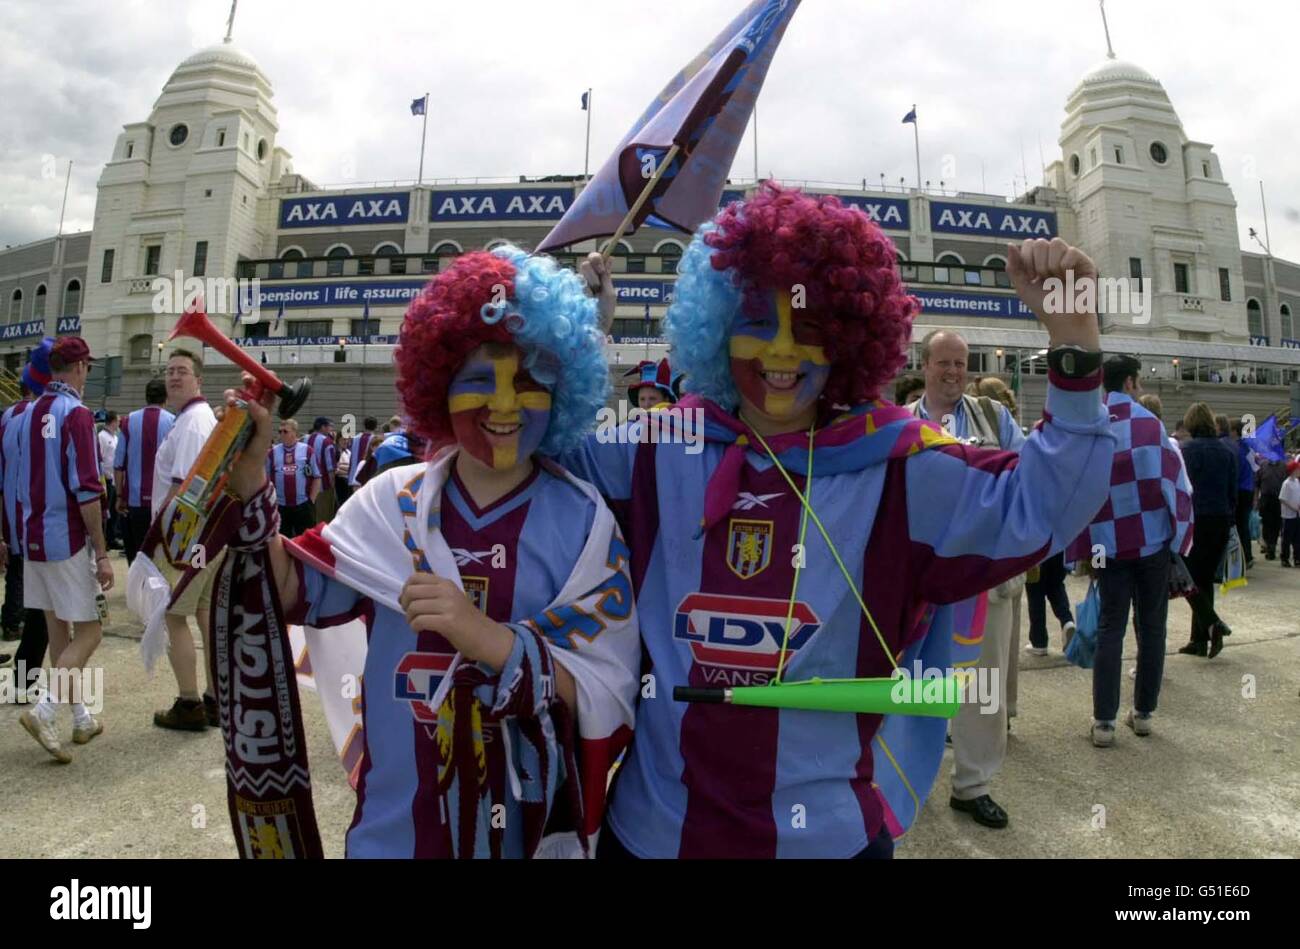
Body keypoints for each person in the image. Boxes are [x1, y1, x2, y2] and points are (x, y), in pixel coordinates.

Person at [566, 184, 1115, 857]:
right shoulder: (655, 450)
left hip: (826, 840)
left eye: (812, 329)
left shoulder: (900, 466)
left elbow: (1050, 501)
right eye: (758, 323)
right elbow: (540, 454)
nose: (782, 353)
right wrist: (583, 328)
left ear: (852, 338)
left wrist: (1073, 339)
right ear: (715, 330)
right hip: (657, 834)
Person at [214, 245, 639, 858]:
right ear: (438, 387)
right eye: (478, 380)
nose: (503, 404)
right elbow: (282, 591)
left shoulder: (587, 524)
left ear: (562, 391)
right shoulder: (387, 502)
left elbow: (609, 691)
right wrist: (251, 479)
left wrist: (489, 640)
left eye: (528, 382)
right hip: (391, 834)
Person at [910, 335, 1026, 826]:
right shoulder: (901, 420)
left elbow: (1027, 474)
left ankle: (972, 785)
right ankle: (907, 779)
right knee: (915, 685)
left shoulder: (994, 417)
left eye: (961, 363)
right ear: (925, 366)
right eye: (944, 363)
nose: (953, 371)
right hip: (920, 581)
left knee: (983, 685)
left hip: (983, 576)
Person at [1067, 356, 1191, 746]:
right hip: (1151, 543)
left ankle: (1103, 722)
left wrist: (1079, 547)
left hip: (1107, 546)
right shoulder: (1150, 425)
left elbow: (1078, 488)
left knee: (1110, 630)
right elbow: (1176, 484)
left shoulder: (1092, 426)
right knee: (1152, 628)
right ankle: (1143, 714)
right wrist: (1179, 538)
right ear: (1133, 382)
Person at [12, 337, 111, 762]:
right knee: (90, 631)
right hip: (66, 537)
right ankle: (46, 709)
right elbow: (87, 490)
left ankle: (81, 716)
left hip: (31, 534)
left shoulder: (23, 413)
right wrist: (104, 552)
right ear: (81, 367)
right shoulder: (78, 415)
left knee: (59, 632)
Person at [150, 349, 222, 730]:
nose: (174, 377)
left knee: (174, 614)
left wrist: (161, 542)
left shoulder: (193, 421)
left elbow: (186, 490)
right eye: (170, 371)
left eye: (182, 371)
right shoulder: (193, 419)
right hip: (201, 537)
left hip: (187, 538)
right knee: (204, 613)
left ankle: (190, 702)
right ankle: (213, 698)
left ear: (199, 381)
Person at [0, 339, 56, 686]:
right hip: (44, 525)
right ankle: (26, 679)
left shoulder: (9, 415)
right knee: (48, 605)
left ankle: (23, 671)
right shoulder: (52, 414)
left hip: (14, 520)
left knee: (29, 592)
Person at [1176, 402, 1238, 657]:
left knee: (1185, 578)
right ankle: (1199, 639)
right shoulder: (1227, 451)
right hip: (1221, 518)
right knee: (1203, 580)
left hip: (1196, 520)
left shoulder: (1186, 450)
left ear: (1190, 423)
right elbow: (1232, 491)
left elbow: (1181, 488)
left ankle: (1213, 624)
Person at [113, 378, 175, 565]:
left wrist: (118, 496)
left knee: (136, 554)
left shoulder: (128, 421)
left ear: (146, 397)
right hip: (163, 502)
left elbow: (118, 465)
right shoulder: (173, 422)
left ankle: (137, 591)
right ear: (166, 397)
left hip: (134, 501)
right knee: (159, 557)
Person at [267, 418, 320, 538]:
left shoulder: (307, 450)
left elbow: (317, 477)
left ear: (295, 432)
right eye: (280, 431)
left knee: (306, 541)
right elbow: (266, 478)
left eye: (285, 431)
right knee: (282, 541)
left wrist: (311, 500)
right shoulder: (272, 453)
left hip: (303, 505)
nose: (281, 434)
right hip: (280, 506)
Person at [1230, 419, 1256, 569]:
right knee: (1244, 525)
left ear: (1234, 431)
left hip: (1239, 489)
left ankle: (1242, 558)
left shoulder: (1237, 449)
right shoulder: (1248, 448)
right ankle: (1248, 556)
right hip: (1248, 488)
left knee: (1237, 525)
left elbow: (1236, 471)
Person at [97, 411, 122, 550]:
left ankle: (112, 538)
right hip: (106, 478)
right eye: (117, 421)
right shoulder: (102, 437)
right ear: (112, 421)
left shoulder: (115, 437)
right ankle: (105, 539)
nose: (119, 423)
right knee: (105, 512)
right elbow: (101, 458)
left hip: (113, 479)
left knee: (113, 511)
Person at [306, 417, 338, 524]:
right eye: (329, 426)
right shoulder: (327, 442)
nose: (331, 429)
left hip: (306, 485)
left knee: (309, 515)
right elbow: (330, 467)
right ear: (323, 427)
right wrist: (332, 484)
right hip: (323, 486)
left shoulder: (304, 439)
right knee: (324, 516)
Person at [1258, 456, 1289, 560]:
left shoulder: (1284, 466)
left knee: (1276, 524)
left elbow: (1287, 484)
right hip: (1265, 499)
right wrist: (1255, 500)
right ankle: (1267, 544)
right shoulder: (1263, 465)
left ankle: (1272, 546)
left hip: (1278, 499)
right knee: (1266, 523)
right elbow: (1257, 484)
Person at [347, 416, 379, 492]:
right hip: (368, 476)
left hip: (353, 475)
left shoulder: (355, 439)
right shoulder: (376, 440)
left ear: (364, 426)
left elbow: (350, 457)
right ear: (375, 427)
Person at [1278, 460, 1300, 566]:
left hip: (1297, 514)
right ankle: (1284, 558)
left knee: (1297, 538)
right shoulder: (1286, 483)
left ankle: (1297, 558)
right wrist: (1293, 507)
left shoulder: (1297, 482)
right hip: (1288, 515)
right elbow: (1282, 499)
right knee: (1287, 538)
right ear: (1293, 470)